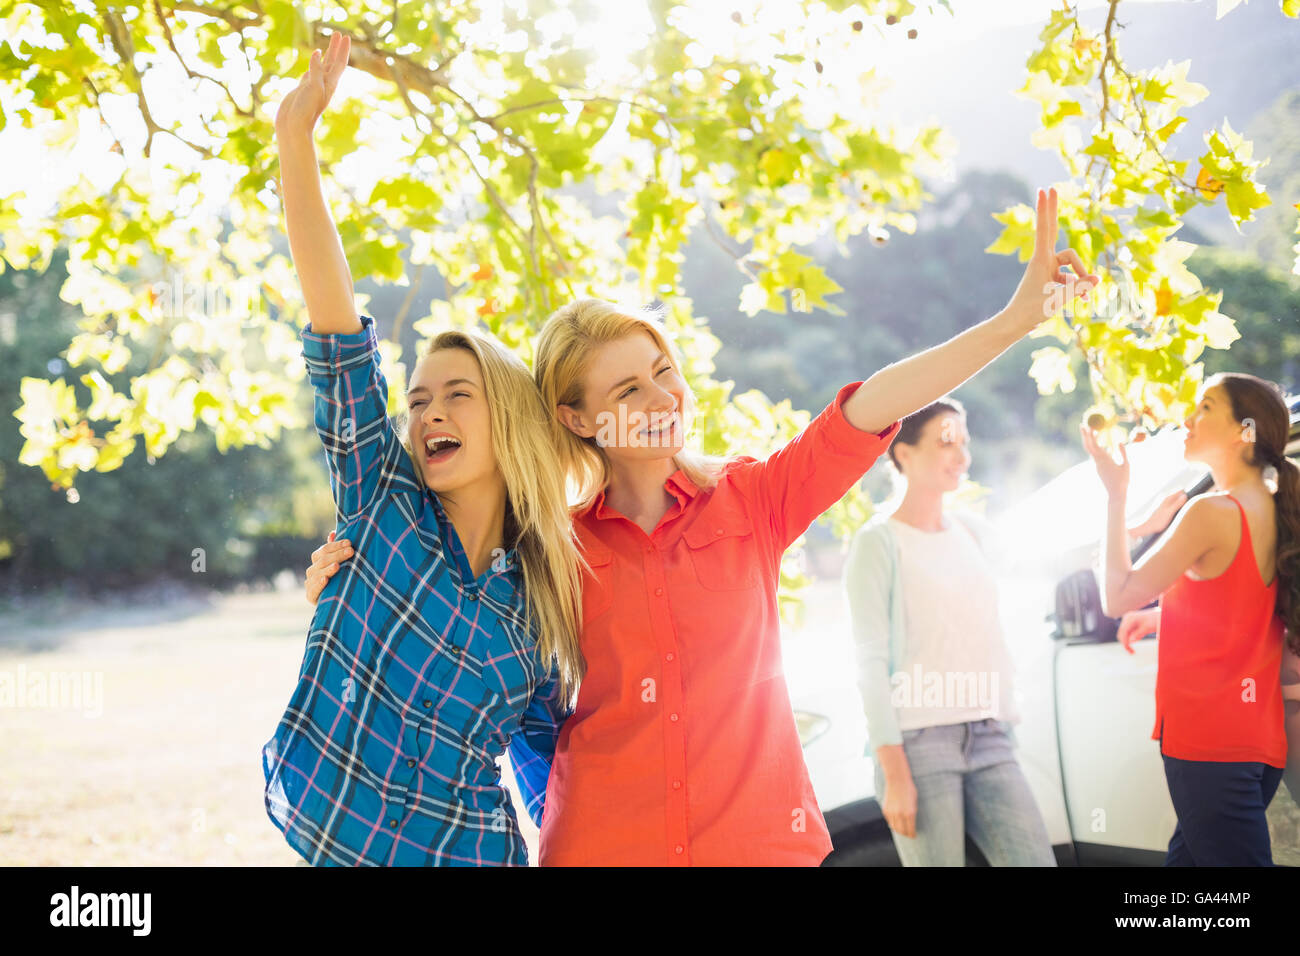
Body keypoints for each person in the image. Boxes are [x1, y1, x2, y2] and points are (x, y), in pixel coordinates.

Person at [309, 184, 1098, 862]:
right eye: (626, 393)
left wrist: (1014, 321)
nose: (661, 401)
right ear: (575, 420)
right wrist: (341, 592)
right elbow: (442, 622)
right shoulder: (551, 547)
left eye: (664, 373)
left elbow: (876, 404)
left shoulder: (756, 501)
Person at [263, 32, 583, 867]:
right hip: (345, 842)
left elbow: (556, 770)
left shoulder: (544, 599)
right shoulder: (380, 502)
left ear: (508, 422)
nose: (427, 412)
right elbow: (335, 324)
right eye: (417, 401)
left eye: (456, 395)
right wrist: (295, 138)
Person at [1083, 372, 1300, 866]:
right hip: (1254, 742)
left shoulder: (1211, 513)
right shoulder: (1277, 508)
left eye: (1204, 408)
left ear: (1242, 432)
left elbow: (1117, 596)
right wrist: (1164, 619)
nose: (1187, 419)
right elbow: (1250, 605)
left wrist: (1116, 494)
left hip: (1209, 746)